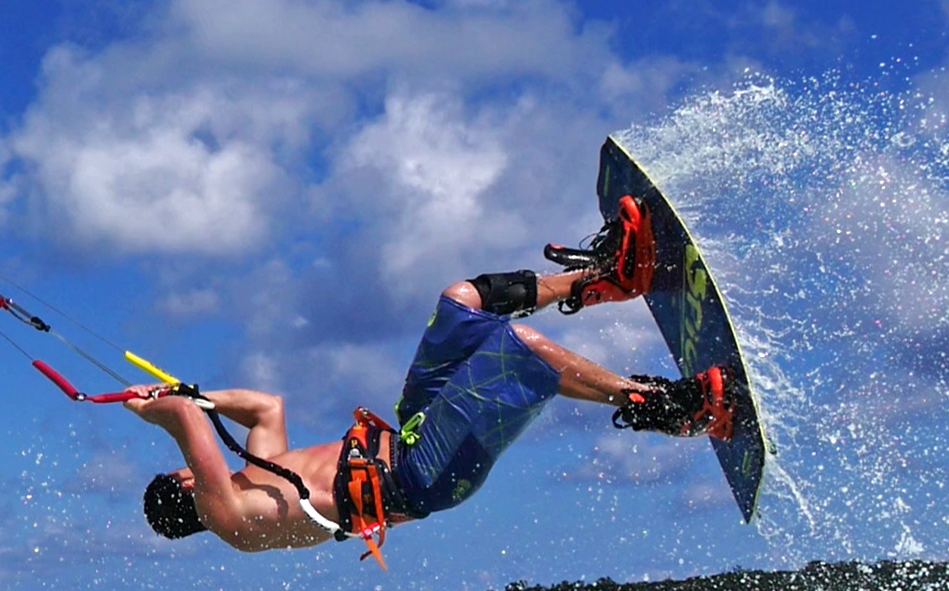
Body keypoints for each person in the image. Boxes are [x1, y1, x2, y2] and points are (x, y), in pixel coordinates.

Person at [129, 197, 735, 552]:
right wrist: (155, 404)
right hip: (422, 475)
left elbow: (267, 408)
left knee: (459, 302)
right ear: (187, 491)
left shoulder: (256, 481)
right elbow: (181, 418)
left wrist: (201, 396)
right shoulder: (229, 516)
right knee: (521, 349)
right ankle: (668, 407)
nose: (198, 468)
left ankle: (607, 278)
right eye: (189, 472)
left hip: (413, 434)